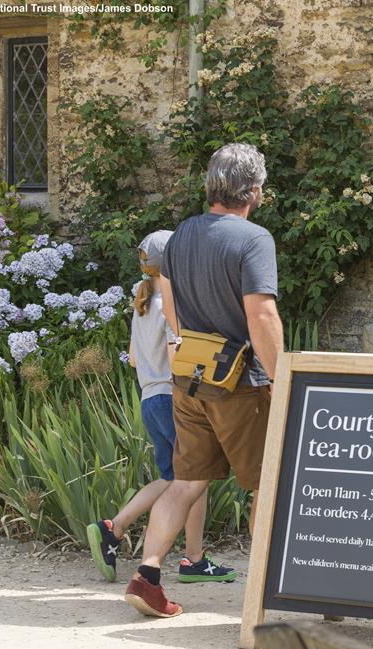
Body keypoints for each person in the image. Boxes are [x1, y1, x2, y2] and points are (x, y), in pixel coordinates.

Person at [123, 143, 284, 618]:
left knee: (185, 481)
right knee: (264, 485)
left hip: (188, 377)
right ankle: (262, 592)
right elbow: (262, 316)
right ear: (253, 190)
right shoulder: (253, 239)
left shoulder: (181, 236)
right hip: (241, 383)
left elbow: (171, 312)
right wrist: (282, 376)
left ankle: (147, 576)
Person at [87, 232, 234, 585]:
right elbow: (175, 355)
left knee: (175, 479)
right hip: (174, 398)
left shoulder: (142, 305)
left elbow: (136, 360)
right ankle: (193, 560)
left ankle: (114, 528)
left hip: (150, 398)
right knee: (196, 478)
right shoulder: (170, 305)